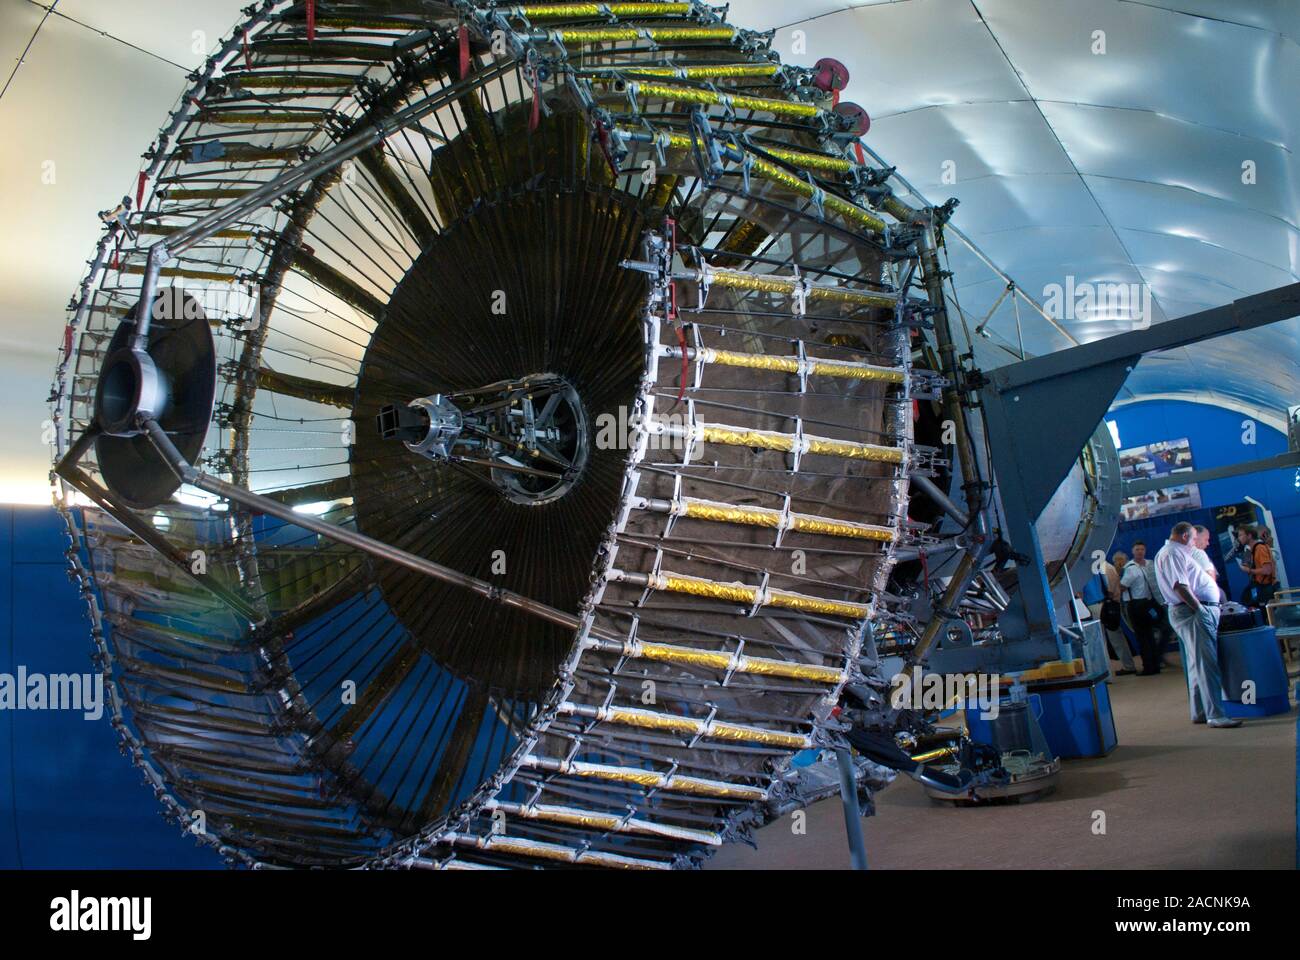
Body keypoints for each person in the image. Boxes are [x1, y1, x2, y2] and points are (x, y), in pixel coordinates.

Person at [1154, 521, 1241, 728]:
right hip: (1193, 612)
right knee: (1207, 664)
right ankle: (1216, 715)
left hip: (1192, 610)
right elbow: (1180, 586)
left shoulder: (1176, 553)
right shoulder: (1173, 553)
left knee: (1197, 664)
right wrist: (1199, 609)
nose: (1196, 543)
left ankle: (1201, 711)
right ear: (1185, 536)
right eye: (1194, 538)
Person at [1120, 543, 1162, 674]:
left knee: (1144, 636)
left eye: (1142, 549)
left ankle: (1149, 667)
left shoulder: (1133, 568)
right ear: (1133, 551)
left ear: (1145, 550)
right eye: (1137, 549)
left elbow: (1123, 586)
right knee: (1148, 636)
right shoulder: (1140, 566)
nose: (1140, 551)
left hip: (1138, 604)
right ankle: (1154, 665)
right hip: (1144, 603)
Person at [1092, 554, 1137, 675]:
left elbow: (1109, 591)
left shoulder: (1102, 568)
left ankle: (1126, 666)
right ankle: (1128, 665)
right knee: (1117, 638)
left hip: (1106, 606)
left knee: (1113, 639)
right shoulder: (1107, 567)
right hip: (1112, 605)